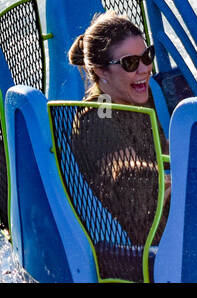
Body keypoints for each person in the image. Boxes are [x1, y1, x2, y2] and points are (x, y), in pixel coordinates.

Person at [66, 12, 168, 248]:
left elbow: (163, 149)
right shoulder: (97, 117)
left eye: (147, 56)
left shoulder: (138, 94)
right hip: (141, 246)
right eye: (130, 63)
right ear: (102, 71)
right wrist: (173, 181)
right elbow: (124, 171)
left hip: (168, 218)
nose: (144, 69)